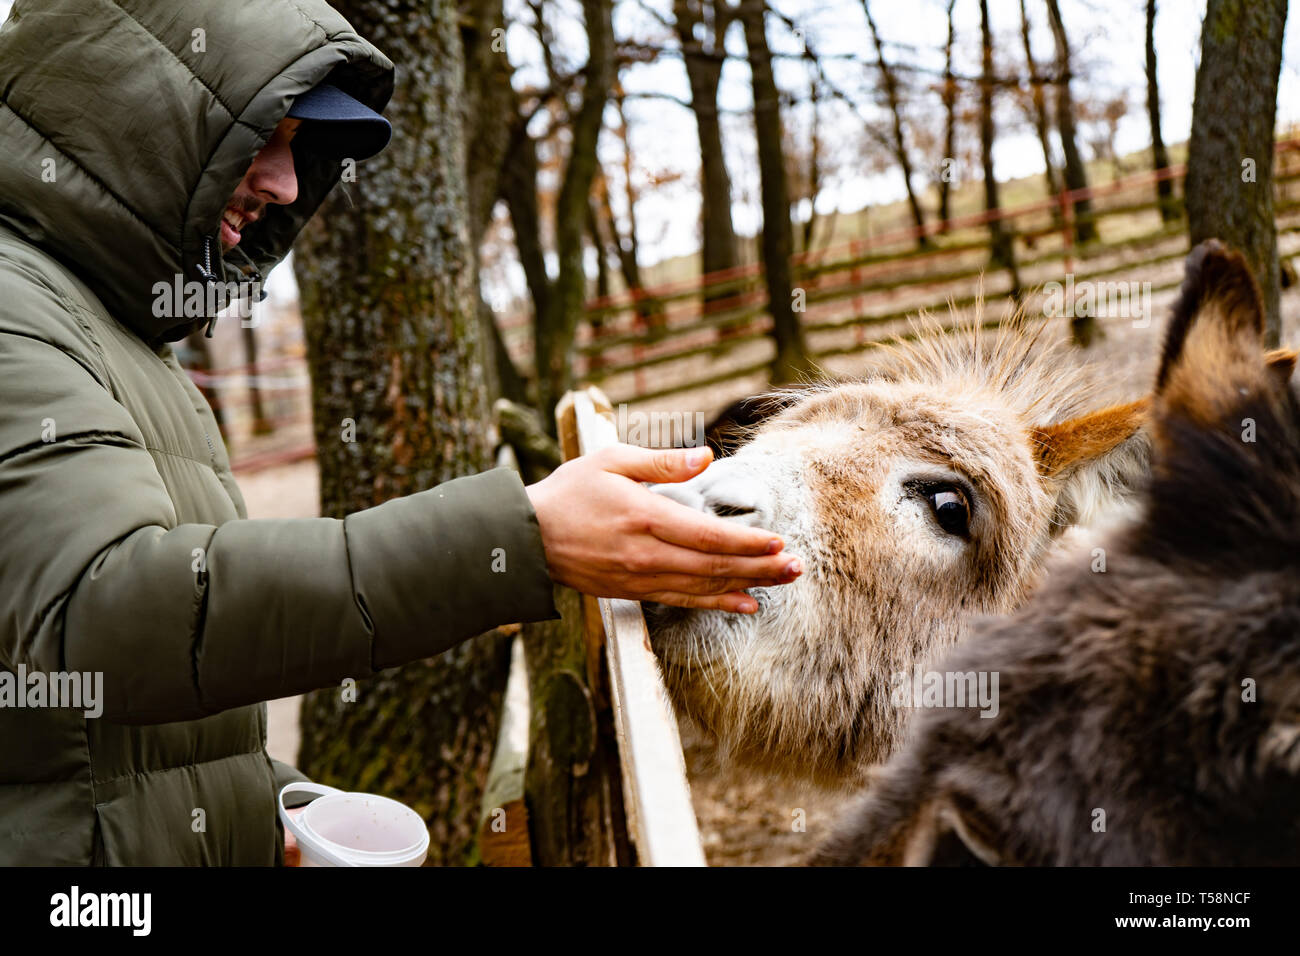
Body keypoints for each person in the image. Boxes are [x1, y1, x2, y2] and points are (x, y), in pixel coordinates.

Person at [0, 0, 800, 865]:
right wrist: (518, 539)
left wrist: (267, 806)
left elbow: (92, 732)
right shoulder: (17, 313)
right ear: (133, 109)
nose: (286, 185)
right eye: (264, 136)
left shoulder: (123, 339)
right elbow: (104, 611)